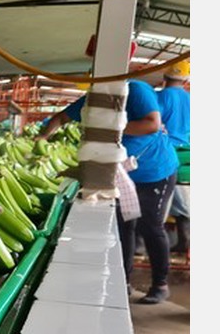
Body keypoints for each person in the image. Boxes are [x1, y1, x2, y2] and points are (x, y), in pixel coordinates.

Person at [39, 77, 179, 304]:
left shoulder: (135, 89)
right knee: (124, 227)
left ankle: (160, 284)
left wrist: (109, 129)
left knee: (150, 226)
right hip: (120, 174)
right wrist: (43, 137)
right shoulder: (94, 99)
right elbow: (62, 117)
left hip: (154, 171)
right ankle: (123, 281)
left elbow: (152, 123)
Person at [157, 60, 191, 254]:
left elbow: (152, 125)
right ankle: (183, 241)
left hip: (164, 153)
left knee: (159, 202)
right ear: (186, 79)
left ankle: (144, 246)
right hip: (186, 155)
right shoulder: (191, 99)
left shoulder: (158, 98)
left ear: (164, 76)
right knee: (181, 202)